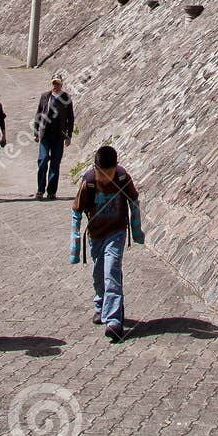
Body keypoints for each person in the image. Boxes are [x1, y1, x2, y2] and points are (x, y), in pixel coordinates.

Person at [69, 143, 144, 343]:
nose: (106, 178)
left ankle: (113, 321)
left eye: (109, 174)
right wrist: (75, 246)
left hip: (117, 232)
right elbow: (76, 213)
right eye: (103, 174)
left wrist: (136, 231)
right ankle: (100, 304)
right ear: (95, 169)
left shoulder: (122, 178)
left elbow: (134, 202)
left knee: (112, 270)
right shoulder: (89, 182)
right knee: (99, 272)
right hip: (96, 235)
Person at [33, 75, 74, 200]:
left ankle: (51, 191)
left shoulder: (66, 98)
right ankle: (40, 190)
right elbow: (39, 113)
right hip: (45, 134)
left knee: (55, 163)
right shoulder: (45, 96)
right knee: (43, 160)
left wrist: (68, 135)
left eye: (58, 84)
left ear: (61, 85)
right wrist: (36, 132)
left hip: (58, 136)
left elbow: (70, 118)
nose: (55, 86)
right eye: (54, 83)